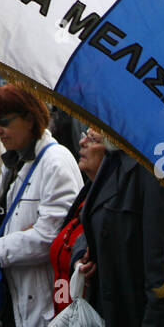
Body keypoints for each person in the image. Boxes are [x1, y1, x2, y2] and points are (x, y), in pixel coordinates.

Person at [78, 130, 164, 327]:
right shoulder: (117, 158)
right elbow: (93, 221)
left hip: (144, 322)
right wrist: (87, 255)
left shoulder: (157, 166)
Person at [0, 84, 81, 327]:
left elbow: (55, 236)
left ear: (29, 118)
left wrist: (0, 249)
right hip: (13, 299)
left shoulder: (56, 162)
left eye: (3, 121)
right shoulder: (13, 161)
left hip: (42, 297)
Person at [49, 124, 105, 317]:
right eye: (84, 136)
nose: (81, 142)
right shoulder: (87, 195)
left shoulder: (108, 202)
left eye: (93, 139)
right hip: (65, 317)